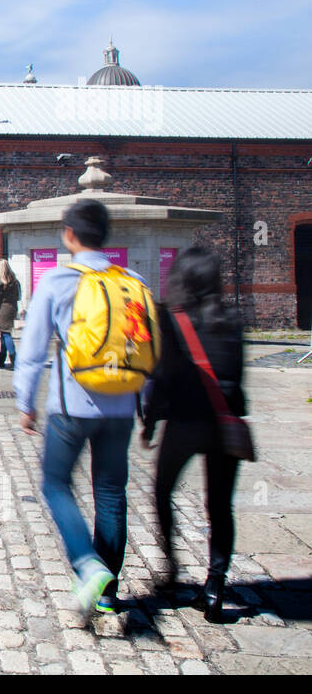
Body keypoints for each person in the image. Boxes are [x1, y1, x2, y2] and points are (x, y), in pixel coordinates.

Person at [14, 198, 152, 620]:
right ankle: (108, 591)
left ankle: (88, 564)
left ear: (69, 235)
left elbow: (34, 350)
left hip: (72, 405)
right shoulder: (133, 281)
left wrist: (26, 403)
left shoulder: (57, 282)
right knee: (110, 492)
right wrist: (145, 406)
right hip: (122, 407)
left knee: (56, 485)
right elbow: (146, 349)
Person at [142, 245, 245, 623]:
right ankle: (215, 586)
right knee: (220, 506)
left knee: (162, 492)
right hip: (223, 422)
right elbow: (237, 376)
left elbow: (162, 377)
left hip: (184, 422)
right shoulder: (230, 318)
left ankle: (170, 568)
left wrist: (150, 422)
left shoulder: (172, 319)